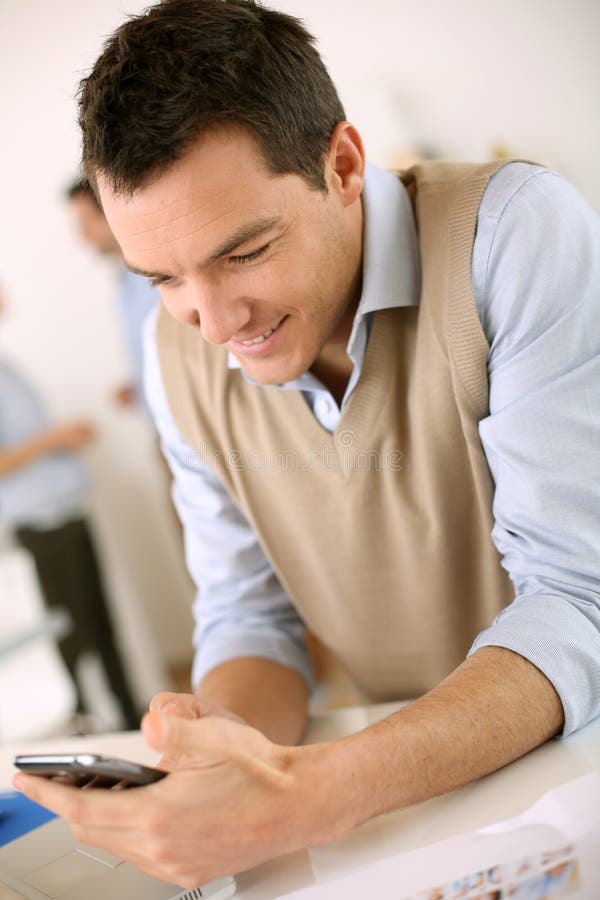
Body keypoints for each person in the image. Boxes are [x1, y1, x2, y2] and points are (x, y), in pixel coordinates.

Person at [15, 0, 599, 890]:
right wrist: (228, 757)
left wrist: (317, 793)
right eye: (165, 279)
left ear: (345, 164)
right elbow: (250, 615)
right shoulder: (176, 352)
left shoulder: (513, 233)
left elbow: (577, 599)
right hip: (410, 804)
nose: (212, 322)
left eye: (244, 251)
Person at [0, 290, 140, 731]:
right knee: (70, 637)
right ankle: (85, 726)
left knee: (102, 625)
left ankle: (130, 719)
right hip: (41, 526)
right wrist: (54, 439)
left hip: (69, 511)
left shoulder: (8, 365)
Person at [65, 178, 159, 411]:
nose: (83, 236)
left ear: (112, 212)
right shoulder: (126, 280)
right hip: (159, 421)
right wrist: (139, 388)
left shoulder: (158, 275)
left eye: (87, 221)